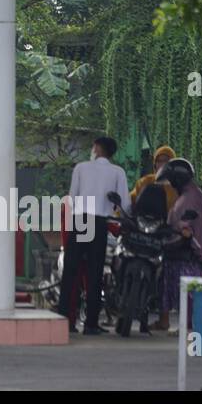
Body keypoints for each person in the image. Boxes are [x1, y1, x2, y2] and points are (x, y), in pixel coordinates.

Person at [57, 135, 130, 335]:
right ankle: (90, 324)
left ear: (96, 148)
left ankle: (64, 321)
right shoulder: (118, 172)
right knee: (94, 274)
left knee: (71, 272)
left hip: (80, 220)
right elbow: (125, 204)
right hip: (99, 223)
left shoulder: (81, 168)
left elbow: (72, 198)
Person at [158, 158, 202, 335]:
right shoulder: (191, 194)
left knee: (188, 292)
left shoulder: (190, 197)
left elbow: (185, 224)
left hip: (186, 251)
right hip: (183, 249)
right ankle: (186, 324)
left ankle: (189, 326)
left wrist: (182, 231)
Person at [131, 145, 179, 211]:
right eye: (159, 161)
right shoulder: (145, 181)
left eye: (166, 161)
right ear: (154, 164)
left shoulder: (179, 184)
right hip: (143, 220)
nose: (162, 164)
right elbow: (130, 200)